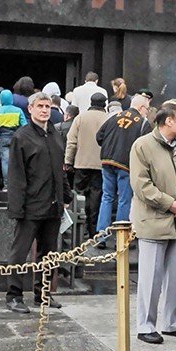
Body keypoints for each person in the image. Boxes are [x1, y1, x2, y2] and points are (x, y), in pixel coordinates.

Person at [130, 102, 176, 344]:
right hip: (154, 221)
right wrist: (170, 203)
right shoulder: (142, 146)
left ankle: (172, 322)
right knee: (151, 278)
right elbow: (141, 186)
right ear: (168, 121)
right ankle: (145, 325)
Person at [5, 92, 73, 314]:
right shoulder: (21, 137)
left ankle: (42, 293)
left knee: (48, 253)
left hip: (53, 206)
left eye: (47, 106)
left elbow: (61, 170)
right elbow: (16, 176)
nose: (44, 110)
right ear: (30, 109)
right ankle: (14, 295)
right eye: (40, 106)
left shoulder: (55, 134)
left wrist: (66, 197)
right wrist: (17, 208)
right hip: (30, 206)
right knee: (20, 252)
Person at [95, 94, 151, 242]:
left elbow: (99, 136)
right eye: (147, 108)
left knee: (106, 197)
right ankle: (121, 238)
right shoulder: (143, 123)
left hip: (107, 161)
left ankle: (102, 235)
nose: (148, 112)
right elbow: (146, 146)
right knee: (124, 200)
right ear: (141, 107)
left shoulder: (114, 116)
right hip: (126, 165)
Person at [65, 92, 109, 240]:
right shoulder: (108, 118)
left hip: (81, 163)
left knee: (78, 197)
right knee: (97, 197)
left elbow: (71, 141)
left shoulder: (80, 118)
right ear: (105, 103)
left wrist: (68, 161)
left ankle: (77, 230)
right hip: (101, 164)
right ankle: (94, 231)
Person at [0, 89, 28, 190]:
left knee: (5, 161)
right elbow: (25, 126)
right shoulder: (18, 111)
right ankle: (16, 184)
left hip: (3, 137)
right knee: (17, 161)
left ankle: (7, 185)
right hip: (16, 138)